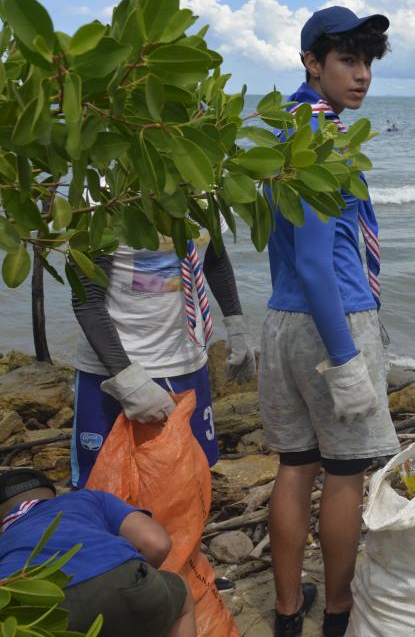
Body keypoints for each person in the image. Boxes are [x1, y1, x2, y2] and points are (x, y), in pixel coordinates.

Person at [260, 6, 399, 637]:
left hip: (283, 323)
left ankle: (288, 612)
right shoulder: (320, 137)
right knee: (345, 476)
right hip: (331, 320)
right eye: (347, 59)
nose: (362, 74)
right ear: (312, 63)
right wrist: (345, 359)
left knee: (295, 466)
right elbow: (319, 263)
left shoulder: (282, 127)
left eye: (368, 61)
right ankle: (338, 612)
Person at [70, 215, 254, 490]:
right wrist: (128, 381)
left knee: (187, 484)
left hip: (187, 364)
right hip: (112, 372)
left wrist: (237, 326)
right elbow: (87, 299)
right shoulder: (107, 199)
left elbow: (214, 260)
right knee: (101, 490)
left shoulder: (204, 190)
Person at [0, 469, 195, 636]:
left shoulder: (6, 534)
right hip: (128, 584)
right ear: (52, 495)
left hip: (42, 609)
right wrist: (129, 583)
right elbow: (156, 544)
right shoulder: (86, 498)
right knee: (180, 592)